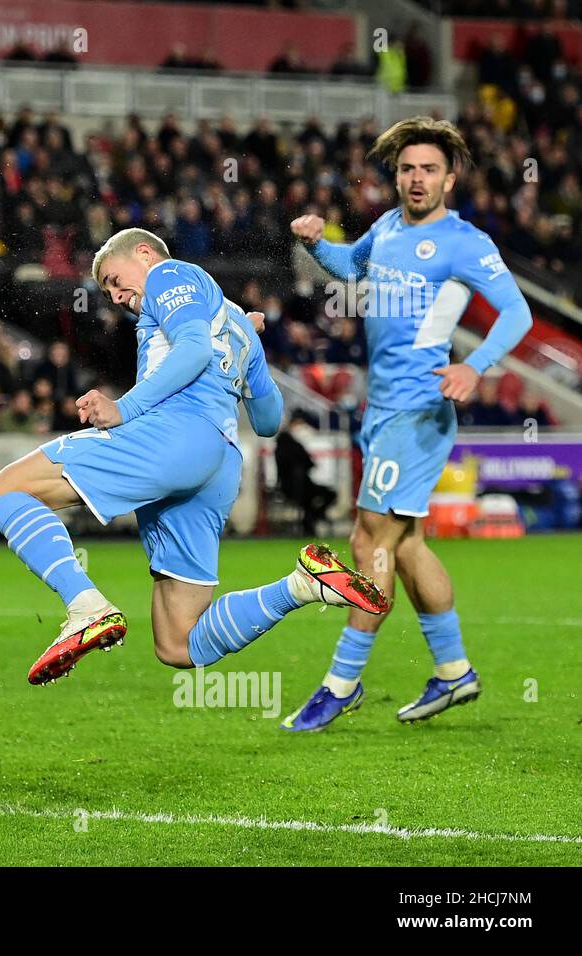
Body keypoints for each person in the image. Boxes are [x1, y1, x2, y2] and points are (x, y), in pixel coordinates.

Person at [0, 228, 388, 686]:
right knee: (178, 644)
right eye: (107, 292)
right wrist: (245, 341)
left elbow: (194, 349)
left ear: (144, 253)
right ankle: (301, 586)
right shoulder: (234, 321)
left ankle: (85, 607)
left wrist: (125, 408)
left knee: (6, 489)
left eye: (116, 280)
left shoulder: (168, 273)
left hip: (174, 435)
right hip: (218, 462)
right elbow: (269, 418)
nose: (116, 296)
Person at [286, 116, 533, 730]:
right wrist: (318, 244)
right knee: (408, 541)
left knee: (370, 541)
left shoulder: (465, 242)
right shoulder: (388, 227)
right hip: (384, 409)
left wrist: (475, 366)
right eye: (406, 169)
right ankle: (454, 673)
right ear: (395, 177)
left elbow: (516, 313)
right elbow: (350, 267)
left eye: (428, 169)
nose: (416, 179)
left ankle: (341, 683)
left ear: (449, 179)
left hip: (418, 411)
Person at [275, 410, 337, 536]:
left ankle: (310, 520)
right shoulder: (291, 444)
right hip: (296, 486)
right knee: (327, 495)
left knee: (316, 497)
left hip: (293, 485)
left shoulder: (283, 444)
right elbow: (307, 462)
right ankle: (311, 519)